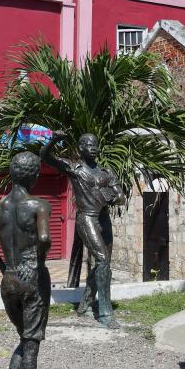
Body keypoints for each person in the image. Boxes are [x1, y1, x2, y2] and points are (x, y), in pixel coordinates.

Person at [0, 152, 52, 369]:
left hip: (9, 280)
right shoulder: (39, 205)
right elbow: (44, 239)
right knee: (31, 343)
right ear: (33, 176)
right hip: (31, 276)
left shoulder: (0, 207)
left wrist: (2, 267)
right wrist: (37, 263)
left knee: (24, 338)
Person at [41, 132, 125, 327]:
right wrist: (54, 140)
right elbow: (45, 156)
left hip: (104, 219)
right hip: (86, 218)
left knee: (104, 265)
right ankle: (105, 313)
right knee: (102, 260)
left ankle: (84, 304)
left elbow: (121, 196)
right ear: (80, 148)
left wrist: (113, 197)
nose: (93, 148)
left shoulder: (106, 171)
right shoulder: (74, 168)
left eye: (95, 144)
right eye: (88, 144)